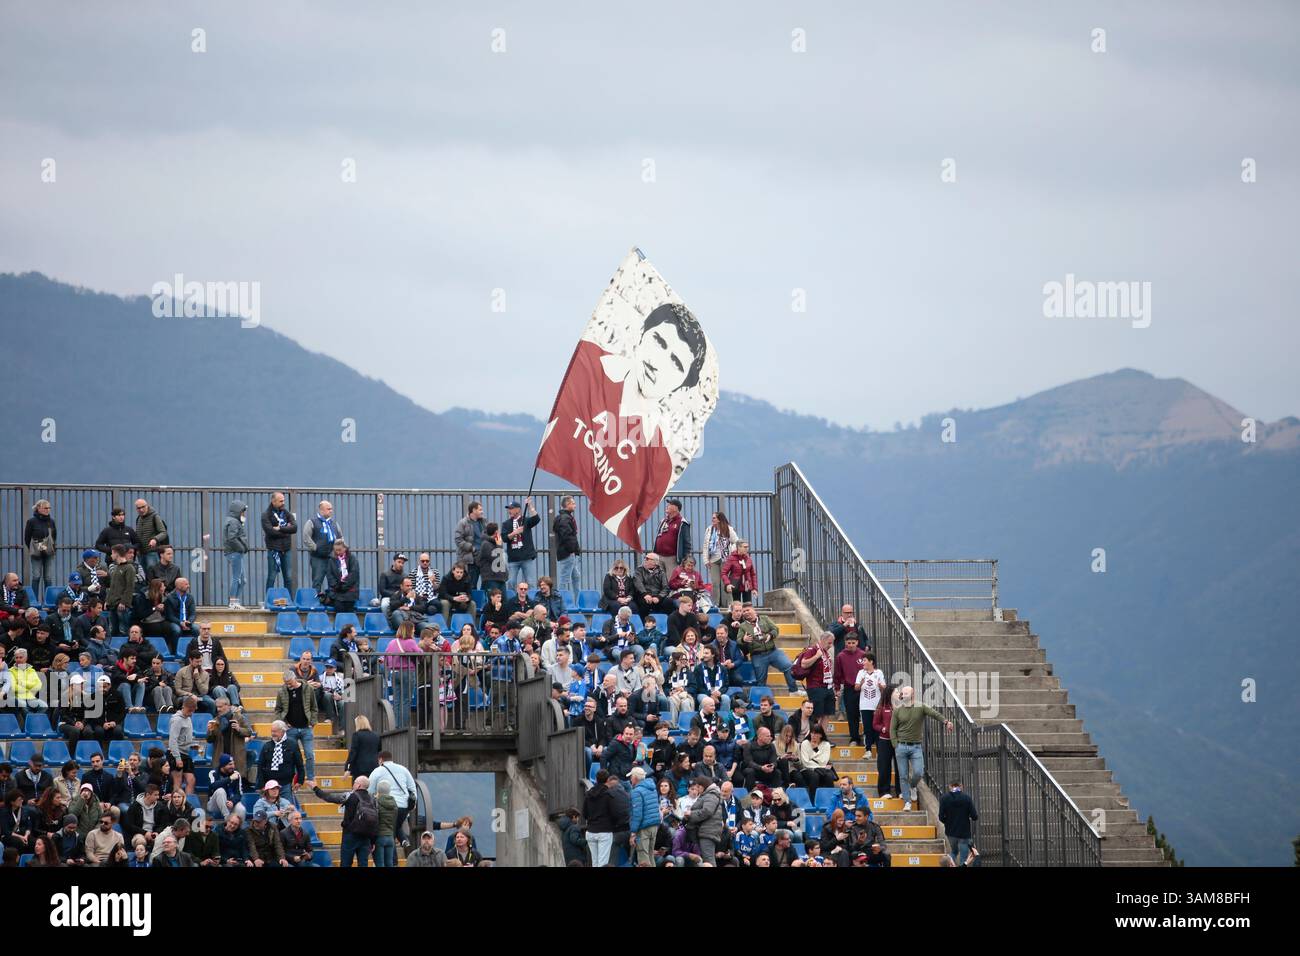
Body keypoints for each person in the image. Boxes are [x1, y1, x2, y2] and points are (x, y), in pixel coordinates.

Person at [890, 685, 954, 811]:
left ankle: (913, 785)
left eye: (906, 693)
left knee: (919, 771)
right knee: (902, 776)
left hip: (915, 747)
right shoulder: (897, 710)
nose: (903, 695)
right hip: (901, 746)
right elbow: (892, 728)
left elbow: (934, 713)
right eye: (902, 693)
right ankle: (907, 801)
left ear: (912, 694)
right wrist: (895, 744)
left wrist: (946, 721)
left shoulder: (920, 706)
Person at [311, 775, 378, 867]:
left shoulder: (350, 796)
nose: (353, 785)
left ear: (358, 785)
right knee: (363, 864)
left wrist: (316, 789)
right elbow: (375, 820)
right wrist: (373, 841)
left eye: (354, 783)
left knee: (346, 863)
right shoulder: (373, 799)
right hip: (366, 837)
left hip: (350, 835)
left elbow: (330, 797)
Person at [737, 604, 799, 695]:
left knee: (788, 666)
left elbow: (775, 629)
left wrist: (770, 635)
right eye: (744, 611)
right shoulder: (742, 626)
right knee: (761, 680)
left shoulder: (764, 618)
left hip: (773, 651)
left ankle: (793, 691)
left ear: (754, 610)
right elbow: (738, 640)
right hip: (757, 655)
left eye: (748, 610)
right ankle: (761, 700)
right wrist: (743, 639)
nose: (746, 612)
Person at [368, 751, 417, 847]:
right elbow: (412, 788)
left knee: (389, 832)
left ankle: (394, 857)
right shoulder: (403, 769)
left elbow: (370, 791)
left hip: (386, 807)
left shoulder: (377, 771)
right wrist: (413, 804)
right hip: (403, 807)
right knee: (395, 827)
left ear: (380, 759)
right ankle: (403, 840)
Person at [275, 672, 317, 779]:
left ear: (295, 679)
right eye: (286, 683)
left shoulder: (308, 689)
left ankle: (311, 778)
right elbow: (278, 710)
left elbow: (314, 707)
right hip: (290, 729)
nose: (288, 685)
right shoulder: (281, 691)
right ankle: (293, 780)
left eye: (290, 683)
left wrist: (312, 722)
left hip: (306, 728)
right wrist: (283, 723)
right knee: (292, 756)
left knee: (310, 755)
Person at [835, 633, 869, 745]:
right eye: (848, 643)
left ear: (857, 643)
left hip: (864, 689)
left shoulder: (863, 654)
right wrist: (837, 688)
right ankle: (854, 738)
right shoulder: (840, 656)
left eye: (853, 643)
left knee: (866, 714)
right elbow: (837, 674)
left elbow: (870, 670)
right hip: (849, 688)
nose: (851, 645)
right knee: (851, 714)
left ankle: (868, 737)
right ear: (845, 643)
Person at [793, 631, 836, 719]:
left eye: (832, 643)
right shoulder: (813, 650)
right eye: (829, 643)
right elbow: (803, 664)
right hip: (816, 687)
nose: (830, 645)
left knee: (827, 714)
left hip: (828, 686)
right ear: (822, 640)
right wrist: (816, 656)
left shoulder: (825, 652)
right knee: (816, 715)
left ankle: (822, 733)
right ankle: (814, 732)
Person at [302, 500, 343, 593]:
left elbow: (340, 537)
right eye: (329, 509)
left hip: (332, 558)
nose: (331, 511)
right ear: (321, 510)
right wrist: (315, 548)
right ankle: (315, 602)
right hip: (318, 558)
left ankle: (332, 601)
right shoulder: (312, 522)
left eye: (331, 509)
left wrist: (337, 550)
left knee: (334, 581)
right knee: (317, 581)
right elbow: (306, 537)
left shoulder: (334, 524)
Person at [685, 775, 726, 865]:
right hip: (706, 830)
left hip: (708, 831)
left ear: (702, 786)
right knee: (706, 859)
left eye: (697, 788)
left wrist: (691, 814)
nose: (697, 790)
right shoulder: (708, 794)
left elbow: (707, 811)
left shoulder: (711, 795)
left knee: (708, 859)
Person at [261, 492, 297, 593]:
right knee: (272, 577)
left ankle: (289, 600)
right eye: (281, 501)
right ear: (273, 501)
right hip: (273, 550)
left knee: (288, 577)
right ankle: (268, 600)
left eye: (284, 500)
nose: (283, 503)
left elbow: (294, 528)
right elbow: (270, 531)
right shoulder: (266, 515)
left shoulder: (286, 513)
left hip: (286, 549)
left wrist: (280, 528)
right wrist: (286, 530)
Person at [502, 498, 541, 590]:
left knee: (530, 582)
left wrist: (530, 505)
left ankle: (531, 601)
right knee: (511, 582)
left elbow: (536, 519)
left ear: (518, 509)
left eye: (511, 508)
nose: (509, 510)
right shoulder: (506, 524)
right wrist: (515, 532)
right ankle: (512, 602)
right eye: (509, 508)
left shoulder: (526, 520)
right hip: (513, 558)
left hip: (526, 557)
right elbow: (504, 538)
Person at [938, 779, 979, 865]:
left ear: (950, 787)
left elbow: (941, 817)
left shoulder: (944, 798)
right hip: (964, 834)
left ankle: (948, 864)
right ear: (961, 786)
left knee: (954, 852)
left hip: (950, 832)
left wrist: (948, 822)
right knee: (963, 859)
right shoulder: (967, 798)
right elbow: (974, 816)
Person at [257, 719, 305, 792]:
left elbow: (299, 764)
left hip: (286, 784)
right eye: (272, 731)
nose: (273, 733)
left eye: (275, 731)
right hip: (269, 785)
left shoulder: (292, 744)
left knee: (287, 803)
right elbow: (260, 766)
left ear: (282, 731)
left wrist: (300, 781)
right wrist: (261, 784)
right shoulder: (266, 746)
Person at [166, 695, 200, 795]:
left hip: (185, 753)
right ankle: (176, 807)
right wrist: (177, 758)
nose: (191, 713)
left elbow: (185, 738)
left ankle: (188, 804)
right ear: (183, 707)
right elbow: (172, 740)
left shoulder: (188, 718)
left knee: (191, 780)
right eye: (189, 710)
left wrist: (193, 745)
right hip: (176, 754)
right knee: (178, 782)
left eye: (193, 710)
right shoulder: (176, 720)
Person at [853, 652, 886, 753]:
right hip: (864, 705)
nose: (863, 662)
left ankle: (879, 749)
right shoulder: (861, 673)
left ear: (871, 662)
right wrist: (861, 683)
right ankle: (868, 749)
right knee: (867, 727)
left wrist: (881, 686)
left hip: (876, 705)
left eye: (865, 660)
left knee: (877, 726)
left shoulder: (879, 672)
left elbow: (884, 688)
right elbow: (856, 687)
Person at [24, 499, 57, 599]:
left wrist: (50, 547)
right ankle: (34, 600)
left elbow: (54, 536)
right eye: (45, 508)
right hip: (36, 553)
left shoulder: (51, 521)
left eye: (49, 508)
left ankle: (49, 600)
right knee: (36, 576)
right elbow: (27, 538)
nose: (48, 510)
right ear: (38, 508)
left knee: (48, 577)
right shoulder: (31, 521)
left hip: (49, 552)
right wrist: (34, 548)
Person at [653, 499, 692, 580]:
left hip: (672, 558)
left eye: (670, 505)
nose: (667, 506)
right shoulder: (663, 521)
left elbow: (686, 542)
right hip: (659, 556)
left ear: (675, 508)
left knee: (670, 580)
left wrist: (685, 558)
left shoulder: (682, 523)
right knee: (659, 580)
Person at [702, 511, 738, 599]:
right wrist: (706, 560)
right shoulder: (709, 529)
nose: (712, 519)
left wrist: (730, 551)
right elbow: (705, 545)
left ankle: (728, 603)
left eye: (714, 518)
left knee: (725, 582)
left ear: (719, 519)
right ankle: (715, 604)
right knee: (715, 582)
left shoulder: (728, 529)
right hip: (713, 559)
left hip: (725, 559)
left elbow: (736, 542)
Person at [222, 500, 249, 609]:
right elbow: (232, 538)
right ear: (238, 511)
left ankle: (235, 601)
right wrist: (242, 548)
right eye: (243, 512)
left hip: (236, 552)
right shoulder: (233, 522)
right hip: (234, 553)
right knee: (237, 578)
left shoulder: (234, 521)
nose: (244, 514)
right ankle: (232, 602)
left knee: (243, 580)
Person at [206, 753, 246, 825]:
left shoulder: (236, 774)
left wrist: (233, 802)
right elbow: (213, 786)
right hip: (214, 804)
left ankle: (239, 831)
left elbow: (239, 793)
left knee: (241, 809)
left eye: (233, 764)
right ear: (223, 765)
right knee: (220, 791)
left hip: (229, 802)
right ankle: (227, 819)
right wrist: (229, 778)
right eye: (230, 764)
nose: (233, 766)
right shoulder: (213, 773)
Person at [105, 545, 136, 637]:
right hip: (112, 604)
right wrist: (107, 600)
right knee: (112, 630)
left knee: (123, 630)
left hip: (121, 606)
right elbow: (112, 586)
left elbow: (129, 587)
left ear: (116, 553)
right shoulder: (116, 568)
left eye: (112, 553)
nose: (111, 555)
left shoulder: (129, 568)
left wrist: (124, 602)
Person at [552, 495, 581, 595]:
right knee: (564, 579)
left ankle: (577, 601)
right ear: (567, 504)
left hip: (568, 553)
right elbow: (567, 536)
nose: (575, 506)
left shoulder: (564, 518)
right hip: (567, 553)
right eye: (573, 503)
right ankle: (561, 600)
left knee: (576, 576)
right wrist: (572, 549)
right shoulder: (565, 519)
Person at [795, 725, 837, 793]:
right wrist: (817, 767)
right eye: (812, 733)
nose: (813, 735)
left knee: (829, 776)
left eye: (816, 733)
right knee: (815, 776)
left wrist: (816, 749)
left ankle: (830, 798)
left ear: (821, 735)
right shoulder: (805, 743)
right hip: (807, 769)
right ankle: (812, 798)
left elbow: (824, 762)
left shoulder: (826, 744)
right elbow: (806, 762)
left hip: (822, 769)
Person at [454, 502, 485, 591]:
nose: (482, 512)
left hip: (483, 558)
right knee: (471, 584)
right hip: (471, 559)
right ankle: (473, 603)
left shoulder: (483, 522)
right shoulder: (463, 523)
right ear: (474, 510)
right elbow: (458, 539)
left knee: (486, 584)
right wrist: (472, 548)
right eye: (480, 510)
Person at [322, 538, 359, 613]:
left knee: (348, 607)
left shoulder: (352, 558)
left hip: (350, 592)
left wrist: (344, 586)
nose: (337, 552)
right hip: (337, 592)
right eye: (336, 550)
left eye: (339, 550)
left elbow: (354, 574)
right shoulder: (331, 560)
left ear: (345, 548)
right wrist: (336, 586)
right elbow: (329, 575)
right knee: (339, 606)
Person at [133, 499, 169, 573]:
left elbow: (163, 532)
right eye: (138, 508)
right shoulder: (138, 518)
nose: (141, 510)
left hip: (152, 551)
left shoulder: (155, 516)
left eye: (143, 507)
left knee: (152, 571)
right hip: (141, 552)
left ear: (147, 506)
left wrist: (155, 539)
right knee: (142, 573)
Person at [720, 539, 757, 604]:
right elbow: (723, 573)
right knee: (736, 605)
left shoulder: (748, 559)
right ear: (739, 547)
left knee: (748, 605)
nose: (747, 549)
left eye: (747, 547)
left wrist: (754, 588)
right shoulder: (731, 558)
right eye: (745, 547)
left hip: (747, 585)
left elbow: (753, 574)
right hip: (735, 585)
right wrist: (727, 584)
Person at [632, 552, 669, 618]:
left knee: (669, 602)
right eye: (645, 558)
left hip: (657, 596)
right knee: (644, 603)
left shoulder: (661, 572)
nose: (645, 560)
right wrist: (645, 594)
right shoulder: (639, 570)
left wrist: (659, 597)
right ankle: (644, 623)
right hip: (643, 595)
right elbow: (638, 583)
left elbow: (666, 587)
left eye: (647, 559)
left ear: (655, 562)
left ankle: (665, 624)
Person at [476, 524, 508, 595]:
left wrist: (506, 574)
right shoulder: (486, 544)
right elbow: (497, 560)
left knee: (504, 603)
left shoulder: (496, 543)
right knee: (492, 602)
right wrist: (499, 546)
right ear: (496, 532)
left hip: (500, 578)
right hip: (491, 578)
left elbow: (502, 561)